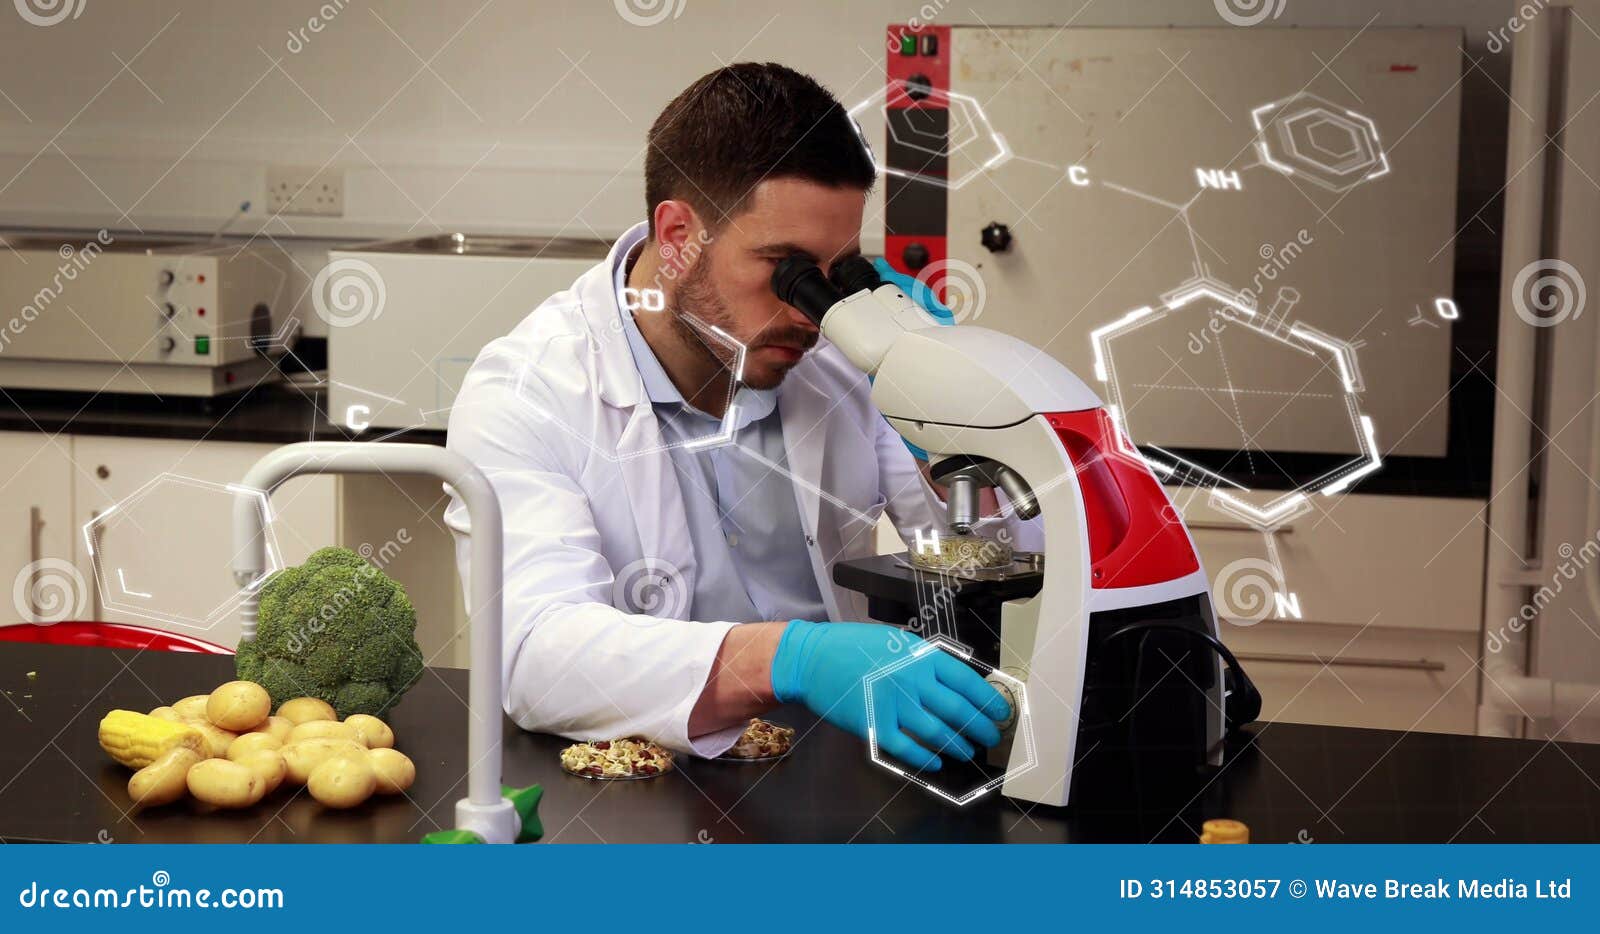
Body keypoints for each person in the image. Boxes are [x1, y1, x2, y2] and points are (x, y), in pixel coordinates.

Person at [445, 62, 1021, 772]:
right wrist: (793, 657)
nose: (811, 311)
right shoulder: (528, 391)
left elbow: (975, 551)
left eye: (835, 271)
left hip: (831, 774)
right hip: (644, 792)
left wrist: (967, 437)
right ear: (679, 232)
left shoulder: (841, 357)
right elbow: (534, 657)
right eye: (785, 267)